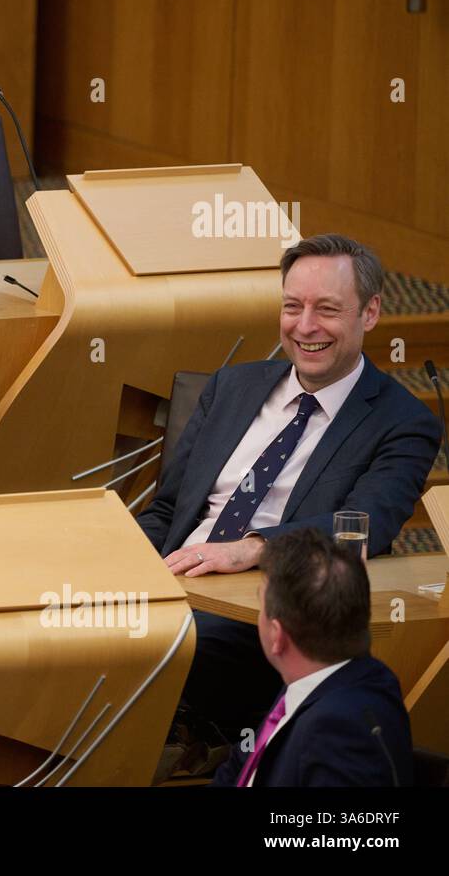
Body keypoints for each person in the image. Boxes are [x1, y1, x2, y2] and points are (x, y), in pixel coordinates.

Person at [137, 233, 442, 737]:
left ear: (369, 313)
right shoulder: (231, 386)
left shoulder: (403, 423)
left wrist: (255, 548)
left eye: (327, 309)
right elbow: (168, 513)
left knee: (147, 653)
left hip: (261, 614)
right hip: (167, 586)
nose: (305, 327)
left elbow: (363, 529)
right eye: (292, 306)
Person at [211, 528, 413, 786]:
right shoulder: (311, 680)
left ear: (278, 636)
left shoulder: (338, 730)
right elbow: (238, 771)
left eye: (261, 607)